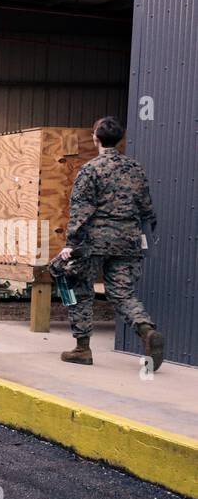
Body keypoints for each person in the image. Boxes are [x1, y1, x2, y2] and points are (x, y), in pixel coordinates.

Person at [54, 115, 164, 370]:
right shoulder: (135, 169)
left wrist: (71, 244)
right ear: (121, 139)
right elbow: (147, 209)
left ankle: (82, 349)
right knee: (122, 293)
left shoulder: (91, 169)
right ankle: (146, 330)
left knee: (80, 289)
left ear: (95, 138)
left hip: (94, 241)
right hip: (128, 241)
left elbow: (80, 210)